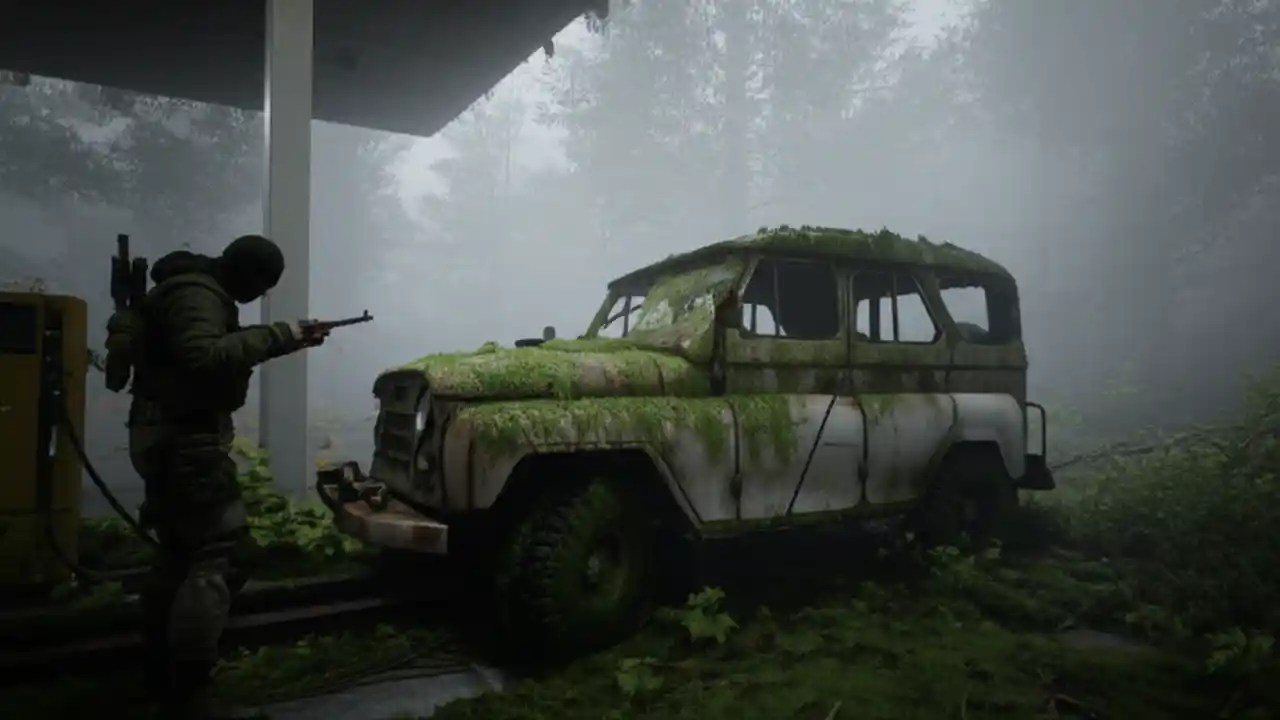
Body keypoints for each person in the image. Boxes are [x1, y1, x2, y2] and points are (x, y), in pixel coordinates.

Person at [122, 235, 328, 718]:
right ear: (247, 272)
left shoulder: (190, 289)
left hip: (170, 437)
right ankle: (190, 683)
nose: (258, 296)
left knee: (179, 556)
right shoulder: (198, 295)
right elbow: (203, 357)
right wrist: (281, 334)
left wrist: (288, 339)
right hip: (185, 441)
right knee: (221, 553)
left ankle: (159, 669)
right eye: (262, 284)